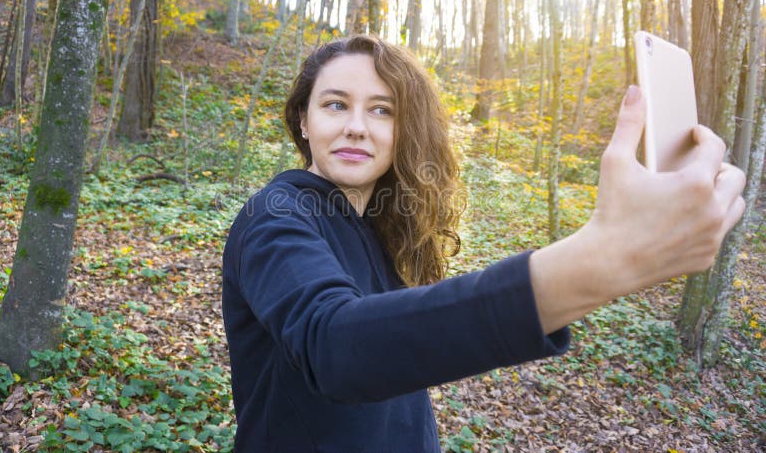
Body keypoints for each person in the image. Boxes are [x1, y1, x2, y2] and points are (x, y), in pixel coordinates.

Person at [221, 35, 745, 452]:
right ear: (304, 123)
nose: (357, 127)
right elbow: (334, 347)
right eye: (336, 105)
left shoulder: (380, 226)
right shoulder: (276, 217)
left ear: (404, 131)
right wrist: (600, 263)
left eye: (382, 110)